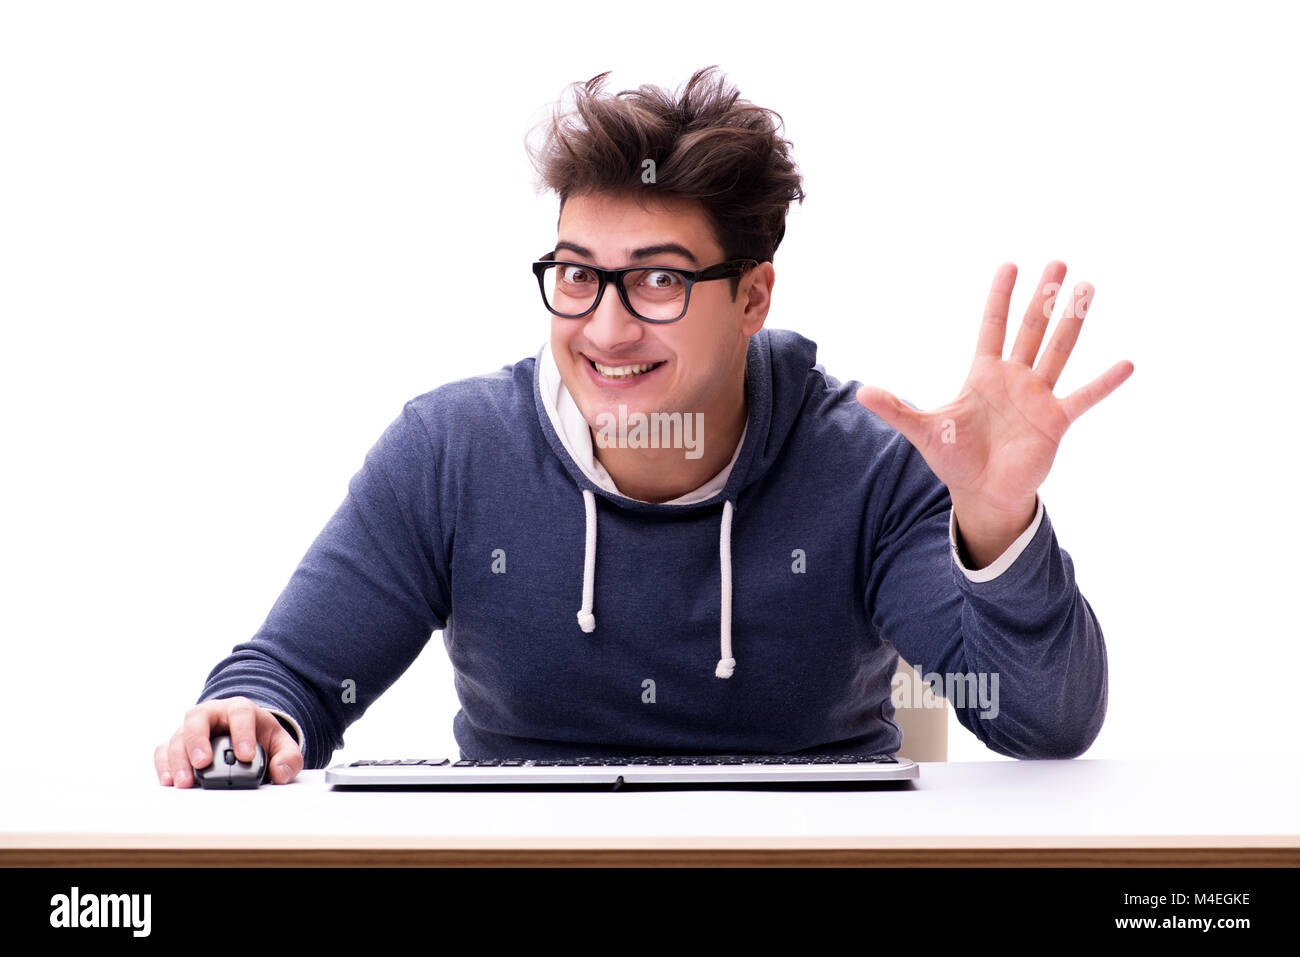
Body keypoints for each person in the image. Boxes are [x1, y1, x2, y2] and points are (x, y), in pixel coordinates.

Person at [155, 66, 1133, 787]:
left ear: (752, 298)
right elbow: (291, 674)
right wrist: (252, 713)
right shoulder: (453, 452)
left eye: (660, 281)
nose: (606, 327)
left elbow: (1043, 725)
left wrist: (1000, 529)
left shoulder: (873, 464)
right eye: (578, 276)